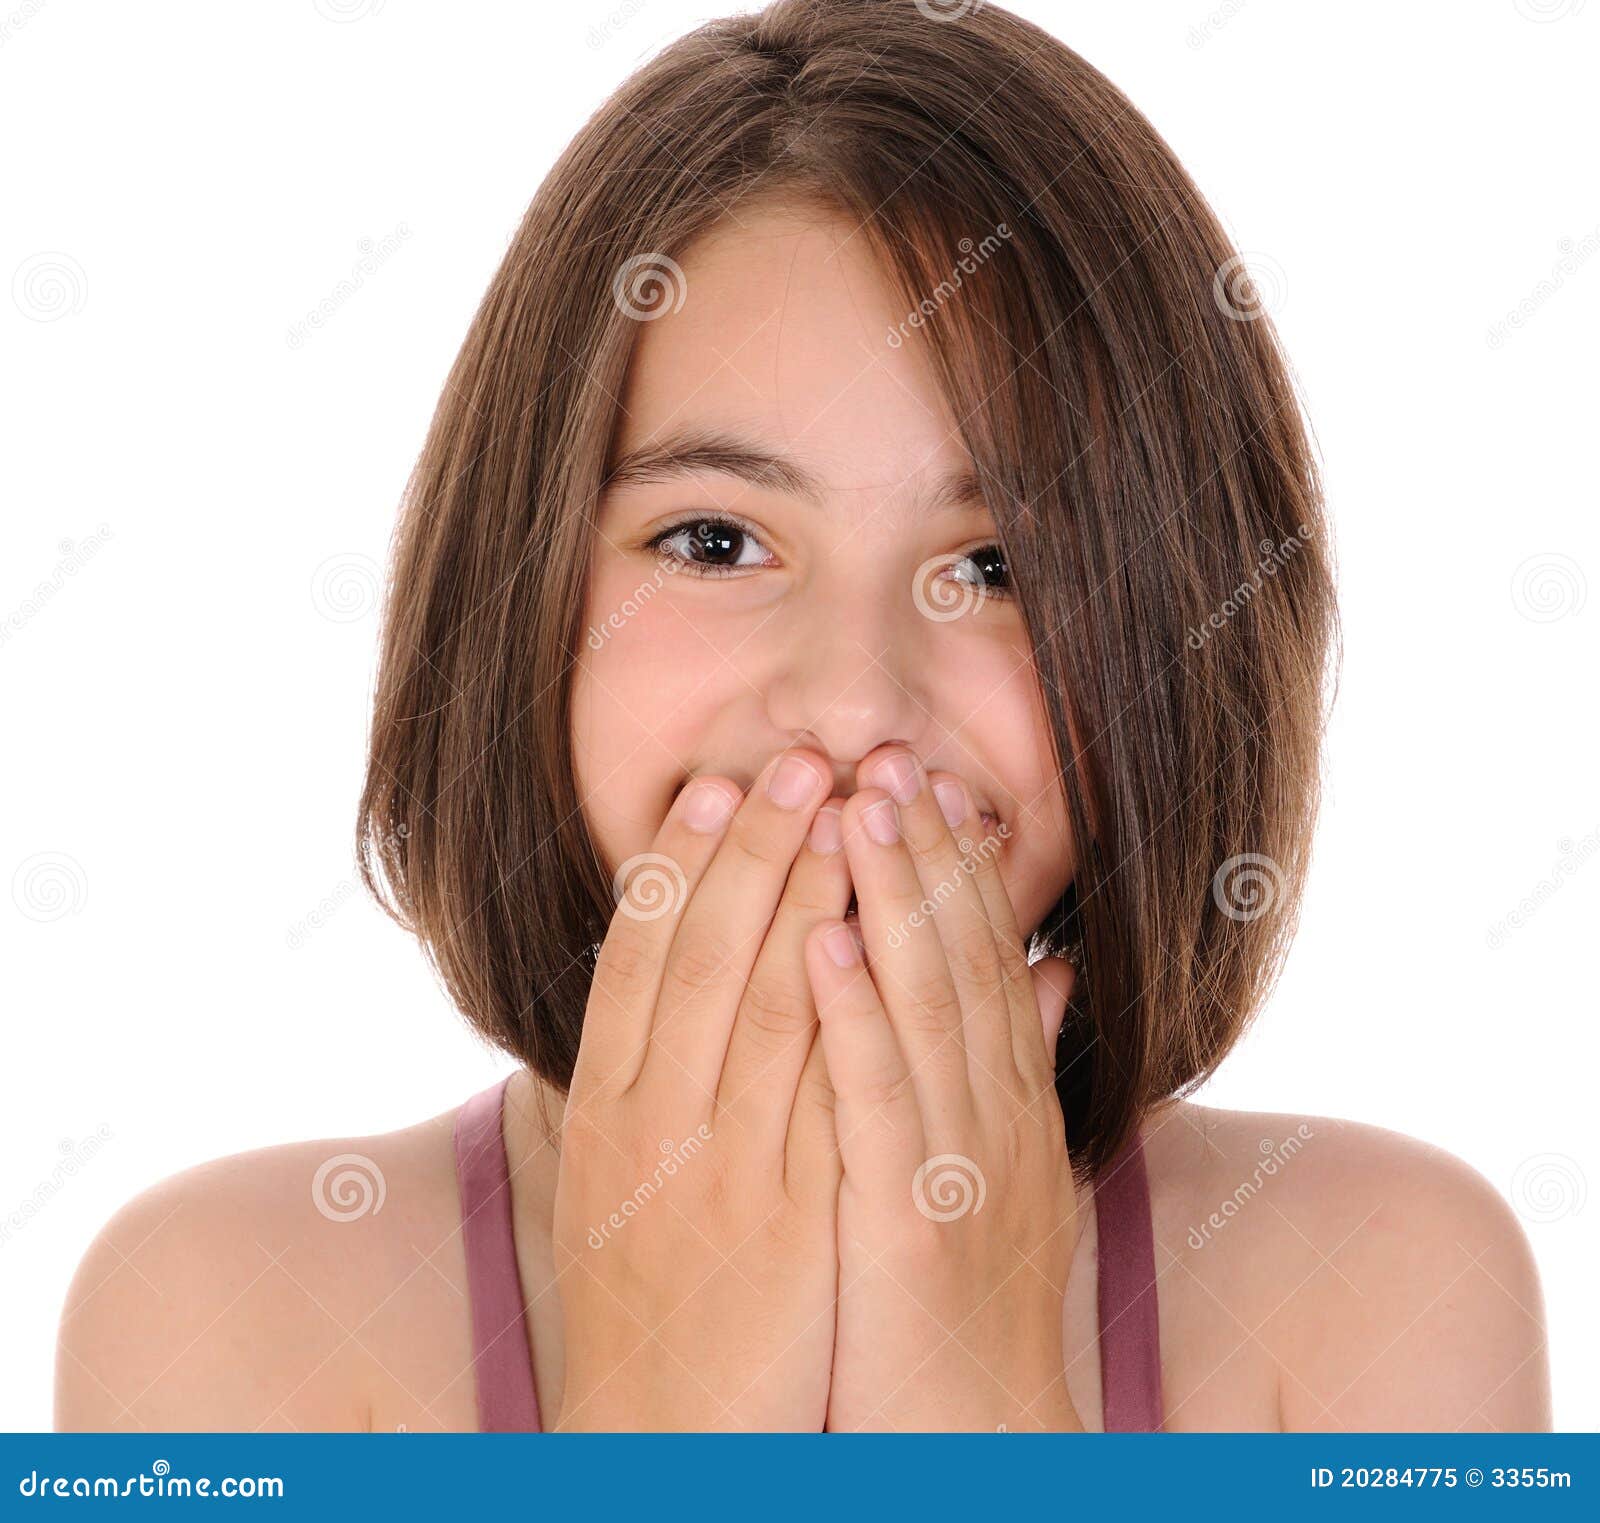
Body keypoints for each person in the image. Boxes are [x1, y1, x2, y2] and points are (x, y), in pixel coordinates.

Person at [56, 0, 1550, 1432]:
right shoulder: (209, 1308)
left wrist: (975, 1407)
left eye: (997, 565)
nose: (850, 704)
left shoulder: (1397, 1284)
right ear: (519, 597)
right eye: (713, 543)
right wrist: (665, 1414)